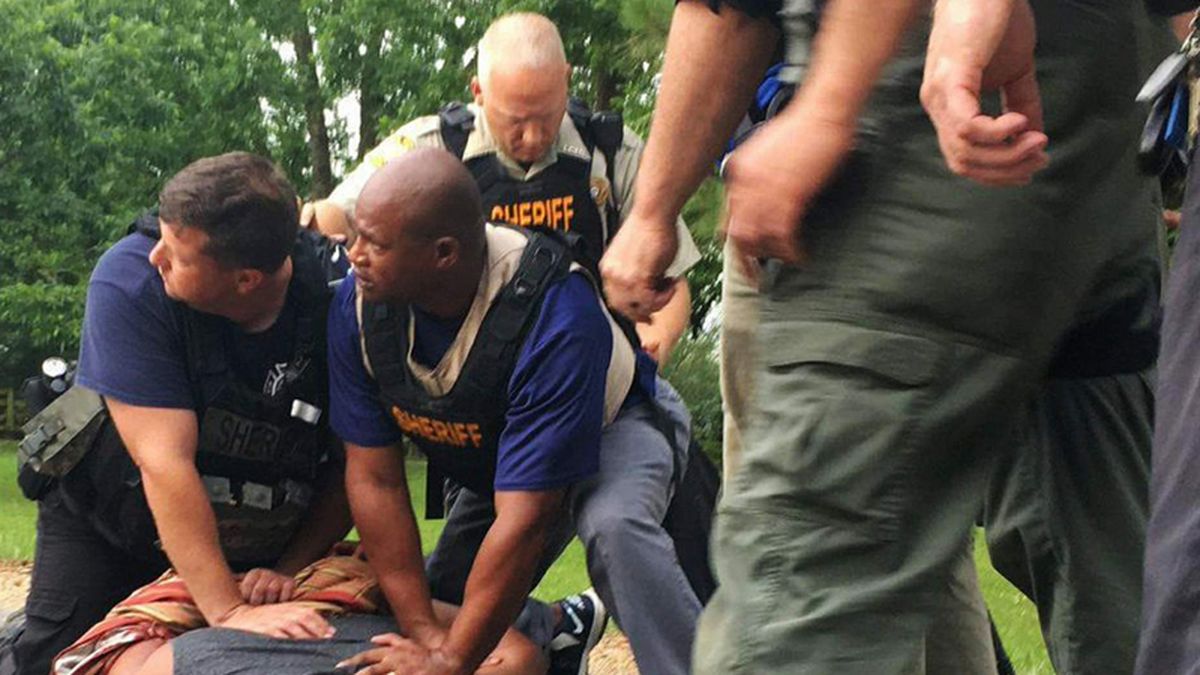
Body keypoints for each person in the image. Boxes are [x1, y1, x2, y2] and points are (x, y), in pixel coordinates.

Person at [601, 0, 1165, 672]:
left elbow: (730, 9)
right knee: (1113, 553)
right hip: (1107, 88)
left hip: (927, 84)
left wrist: (826, 106)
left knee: (801, 588)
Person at [327, 148, 701, 675]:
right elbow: (376, 480)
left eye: (376, 243)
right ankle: (558, 629)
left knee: (614, 526)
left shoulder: (554, 310)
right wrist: (427, 633)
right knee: (441, 597)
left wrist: (453, 659)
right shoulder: (357, 304)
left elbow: (526, 520)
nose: (354, 254)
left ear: (444, 254)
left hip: (617, 424)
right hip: (505, 454)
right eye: (355, 234)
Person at [11, 153, 353, 675]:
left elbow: (360, 460)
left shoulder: (341, 297)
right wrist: (227, 608)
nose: (156, 258)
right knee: (55, 658)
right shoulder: (128, 279)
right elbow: (163, 461)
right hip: (108, 509)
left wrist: (287, 571)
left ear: (245, 280)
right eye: (161, 240)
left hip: (251, 528)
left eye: (177, 254)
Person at [316, 11, 701, 367]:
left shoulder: (615, 152)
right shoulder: (432, 148)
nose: (533, 138)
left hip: (588, 366)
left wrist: (654, 343)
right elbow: (341, 214)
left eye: (547, 116)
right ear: (479, 91)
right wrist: (316, 218)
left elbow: (669, 279)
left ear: (566, 79)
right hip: (467, 378)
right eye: (515, 121)